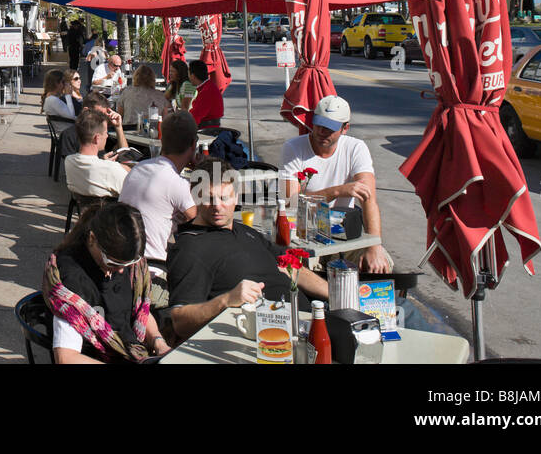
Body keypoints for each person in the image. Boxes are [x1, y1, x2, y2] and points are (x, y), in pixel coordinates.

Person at [166, 160, 329, 341]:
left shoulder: (246, 231)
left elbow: (294, 268)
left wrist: (335, 294)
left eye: (224, 198)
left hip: (311, 319)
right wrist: (226, 300)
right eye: (209, 198)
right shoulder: (190, 248)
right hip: (268, 337)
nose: (217, 206)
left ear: (236, 197)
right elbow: (179, 322)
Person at [43, 202, 171, 363]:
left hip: (131, 352)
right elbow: (66, 358)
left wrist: (158, 342)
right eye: (113, 263)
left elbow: (140, 314)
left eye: (127, 264)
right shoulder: (70, 282)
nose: (122, 271)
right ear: (92, 239)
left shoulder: (128, 263)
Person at [280, 95, 392, 274]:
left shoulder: (356, 148)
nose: (322, 132)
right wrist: (338, 191)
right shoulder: (293, 148)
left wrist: (374, 246)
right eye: (318, 125)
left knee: (382, 263)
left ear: (345, 128)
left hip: (341, 235)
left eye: (329, 129)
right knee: (296, 269)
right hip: (305, 232)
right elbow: (291, 202)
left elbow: (369, 200)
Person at [119, 112, 201, 310]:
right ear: (193, 145)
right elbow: (200, 223)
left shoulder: (138, 168)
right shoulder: (176, 183)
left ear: (162, 138)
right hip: (151, 273)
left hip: (120, 262)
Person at [64, 109, 132, 198]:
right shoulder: (111, 169)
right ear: (97, 138)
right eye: (105, 133)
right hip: (111, 210)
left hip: (85, 207)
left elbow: (93, 168)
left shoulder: (69, 160)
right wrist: (119, 128)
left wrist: (103, 161)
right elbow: (133, 182)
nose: (107, 136)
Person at [186, 59, 223, 127]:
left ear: (193, 76)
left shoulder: (207, 91)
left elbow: (194, 117)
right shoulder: (208, 86)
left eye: (188, 75)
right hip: (207, 126)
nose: (188, 78)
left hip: (207, 130)